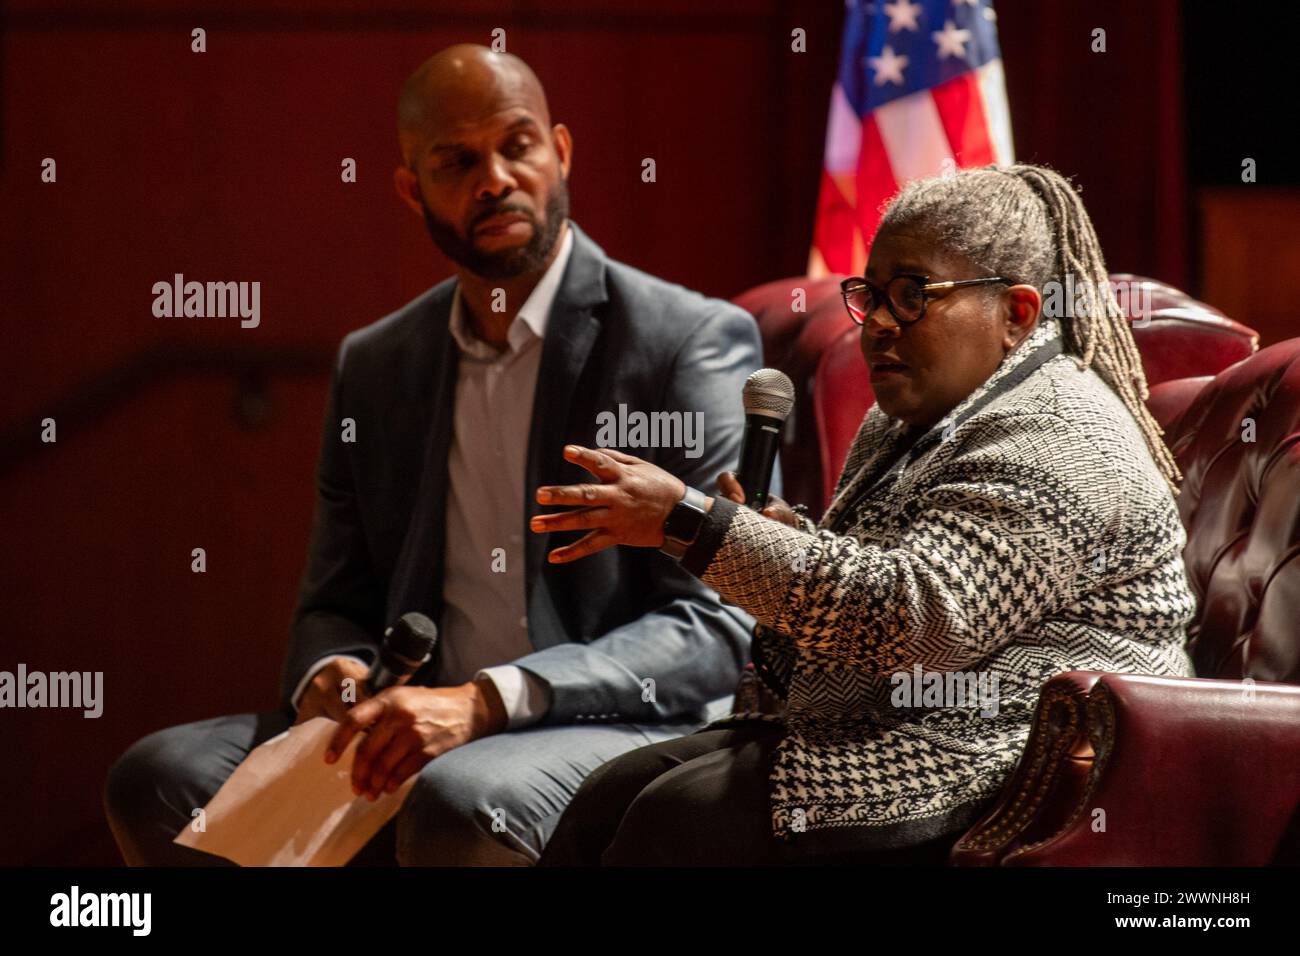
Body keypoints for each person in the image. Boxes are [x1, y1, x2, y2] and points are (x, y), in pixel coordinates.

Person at [103, 44, 761, 866]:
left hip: (612, 719)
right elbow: (332, 599)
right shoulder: (377, 363)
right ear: (413, 190)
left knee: (463, 798)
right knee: (159, 777)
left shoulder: (685, 341)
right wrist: (332, 678)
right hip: (412, 718)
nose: (494, 178)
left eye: (516, 146)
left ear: (560, 152)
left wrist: (485, 701)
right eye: (458, 160)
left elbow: (712, 626)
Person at [531, 164, 1198, 866]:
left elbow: (914, 620)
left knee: (677, 823)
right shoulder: (910, 419)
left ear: (1018, 313)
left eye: (913, 295)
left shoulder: (1061, 434)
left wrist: (692, 524)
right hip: (896, 723)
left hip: (1011, 753)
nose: (877, 323)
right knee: (609, 796)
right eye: (871, 294)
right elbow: (874, 592)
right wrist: (781, 541)